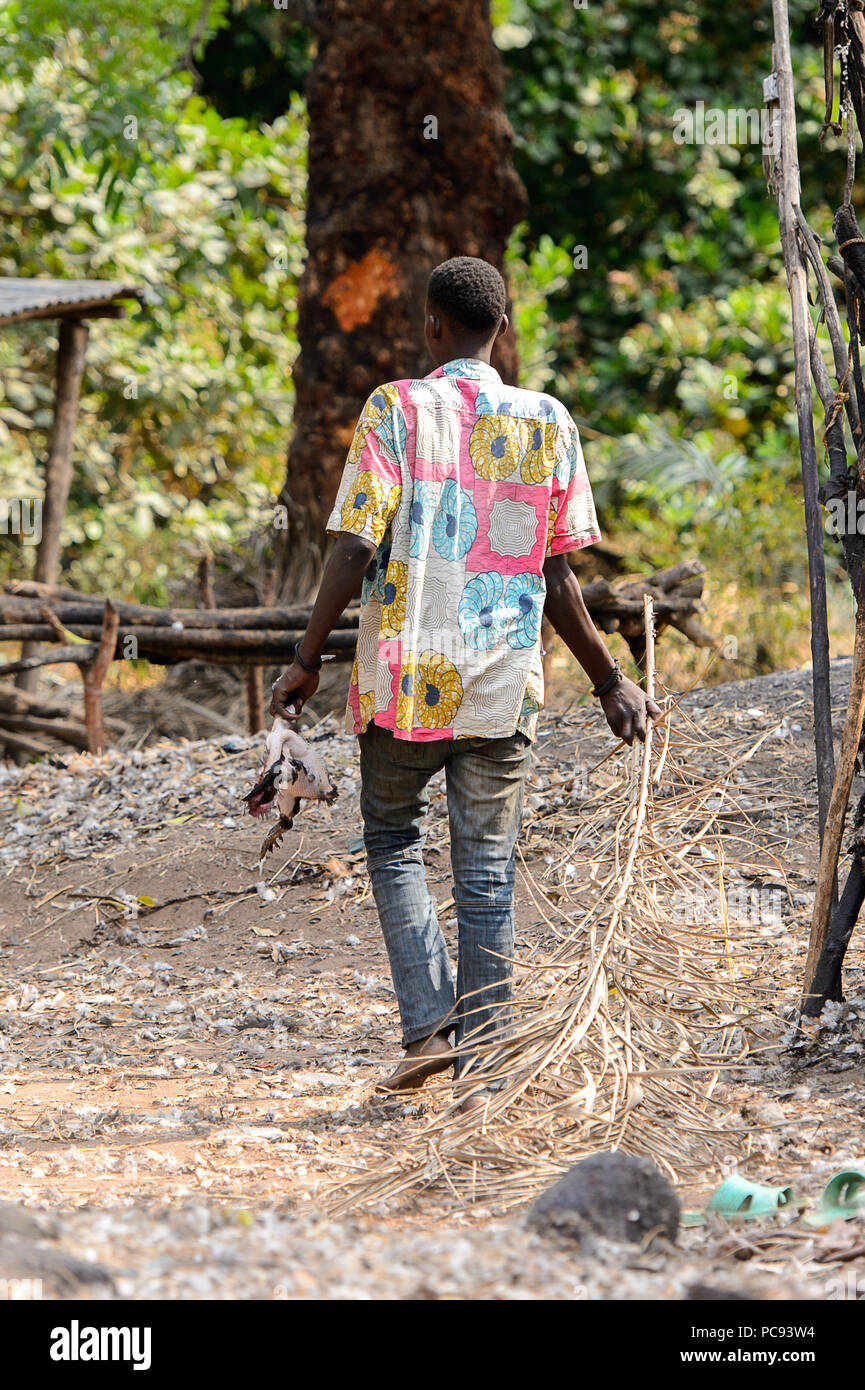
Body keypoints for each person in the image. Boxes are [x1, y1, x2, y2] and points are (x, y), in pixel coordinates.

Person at [270, 256, 660, 1111]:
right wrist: (609, 683)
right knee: (486, 871)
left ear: (433, 327)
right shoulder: (547, 421)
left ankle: (427, 1035)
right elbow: (555, 575)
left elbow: (353, 548)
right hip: (498, 687)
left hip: (405, 682)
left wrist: (304, 659)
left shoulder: (396, 408)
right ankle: (487, 1064)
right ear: (502, 328)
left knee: (393, 843)